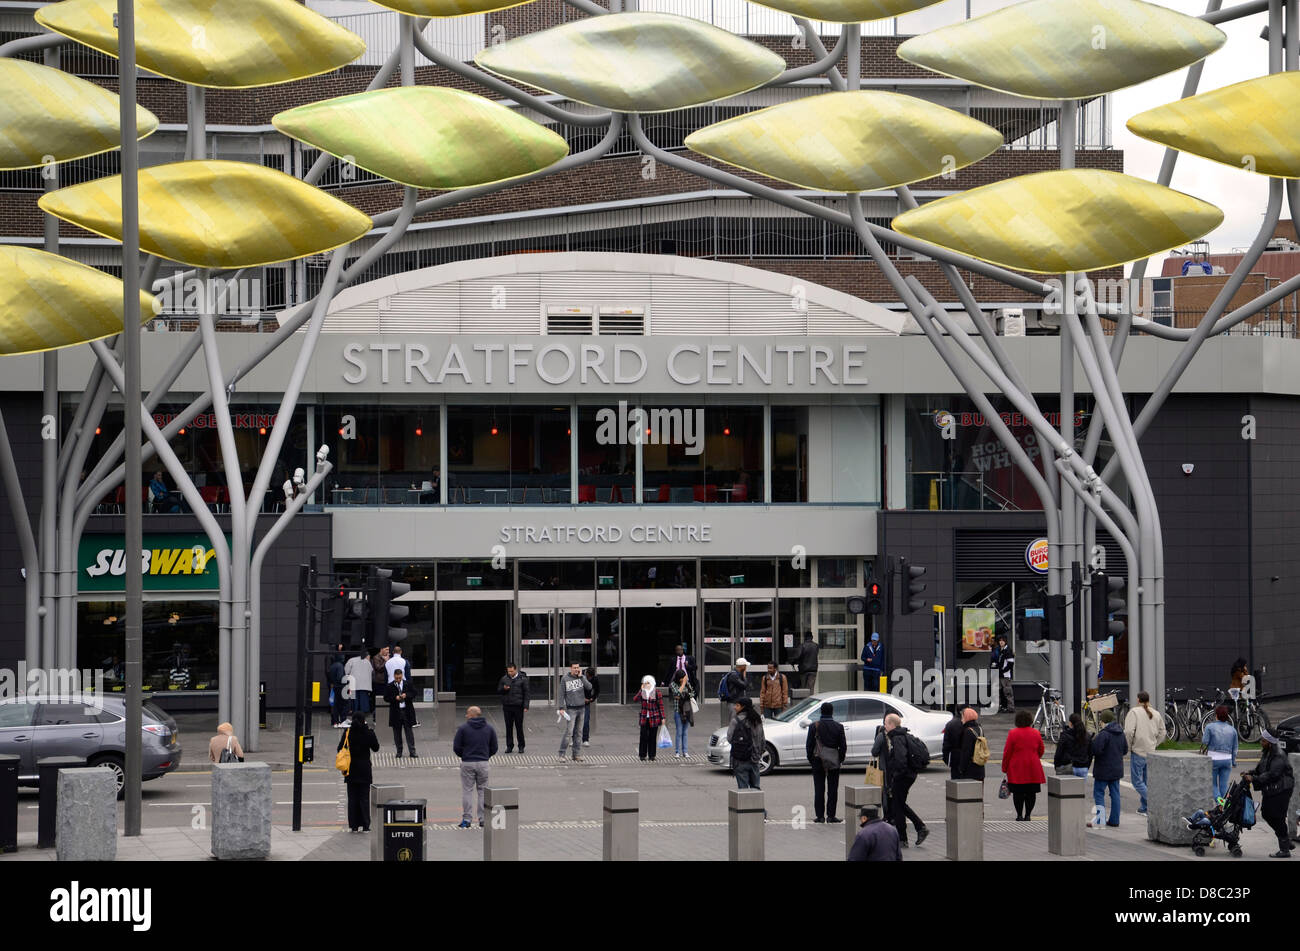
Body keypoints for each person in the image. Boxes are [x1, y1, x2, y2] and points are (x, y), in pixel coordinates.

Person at [871, 712, 929, 847]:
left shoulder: (897, 738)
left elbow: (901, 760)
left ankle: (904, 838)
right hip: (908, 775)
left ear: (891, 724)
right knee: (900, 804)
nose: (884, 726)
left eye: (885, 723)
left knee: (897, 806)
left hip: (902, 777)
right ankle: (918, 828)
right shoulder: (903, 735)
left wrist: (895, 777)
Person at [1242, 730, 1296, 858]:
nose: (1261, 742)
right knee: (1266, 813)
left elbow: (1272, 774)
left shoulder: (1278, 755)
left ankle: (1284, 849)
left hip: (1282, 790)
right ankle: (1286, 840)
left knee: (1278, 817)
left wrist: (1253, 779)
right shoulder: (1268, 752)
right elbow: (1261, 768)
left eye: (1263, 740)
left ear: (1270, 743)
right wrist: (1250, 772)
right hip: (1272, 789)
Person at [452, 705, 498, 829]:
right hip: (483, 763)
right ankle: (483, 819)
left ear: (472, 715)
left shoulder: (463, 728)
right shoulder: (489, 728)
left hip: (467, 763)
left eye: (467, 713)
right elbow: (494, 747)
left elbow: (456, 747)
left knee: (467, 791)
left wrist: (464, 755)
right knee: (483, 791)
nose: (466, 716)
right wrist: (486, 756)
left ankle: (467, 819)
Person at [1123, 690, 1168, 815]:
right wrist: (1155, 743)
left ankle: (1153, 802)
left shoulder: (1134, 712)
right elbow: (1163, 732)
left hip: (1138, 750)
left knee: (1137, 782)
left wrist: (1129, 746)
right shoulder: (1156, 713)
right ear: (1148, 700)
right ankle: (1145, 808)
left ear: (1138, 700)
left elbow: (1128, 732)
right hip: (1151, 751)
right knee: (1146, 781)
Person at [337, 710, 380, 832]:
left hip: (350, 769)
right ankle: (366, 825)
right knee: (364, 798)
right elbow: (376, 748)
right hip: (365, 769)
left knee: (352, 798)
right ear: (363, 720)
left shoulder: (347, 733)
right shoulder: (368, 733)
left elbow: (339, 748)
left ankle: (354, 825)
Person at [805, 701, 847, 823]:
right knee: (833, 789)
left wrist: (812, 760)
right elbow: (843, 746)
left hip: (818, 760)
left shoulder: (814, 726)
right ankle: (831, 815)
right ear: (832, 712)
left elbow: (809, 746)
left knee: (819, 789)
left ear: (821, 712)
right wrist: (840, 759)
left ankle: (820, 816)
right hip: (834, 761)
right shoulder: (838, 727)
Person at [1002, 709, 1046, 820]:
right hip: (1033, 767)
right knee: (1031, 793)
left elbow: (1007, 752)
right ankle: (1028, 815)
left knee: (1018, 793)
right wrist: (1035, 757)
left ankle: (1019, 815)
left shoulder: (1013, 733)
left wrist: (1005, 767)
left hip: (1017, 767)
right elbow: (1041, 749)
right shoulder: (1035, 732)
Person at [1090, 710, 1128, 827]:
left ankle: (1101, 819)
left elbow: (1096, 750)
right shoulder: (1121, 733)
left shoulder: (1104, 734)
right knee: (1115, 794)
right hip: (1116, 769)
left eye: (1101, 720)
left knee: (1099, 793)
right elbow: (1125, 750)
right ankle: (1114, 820)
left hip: (1103, 770)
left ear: (1103, 721)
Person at [728, 698, 766, 802]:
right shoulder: (757, 719)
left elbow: (729, 738)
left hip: (740, 760)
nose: (735, 707)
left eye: (737, 705)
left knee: (743, 790)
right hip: (754, 759)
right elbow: (762, 740)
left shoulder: (736, 720)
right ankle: (760, 813)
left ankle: (746, 814)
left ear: (742, 707)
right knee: (756, 788)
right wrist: (758, 754)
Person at [1202, 704, 1239, 802]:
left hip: (1213, 758)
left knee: (1213, 785)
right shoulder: (1232, 730)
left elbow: (1205, 742)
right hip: (1227, 759)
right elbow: (1235, 748)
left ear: (1216, 715)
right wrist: (1233, 761)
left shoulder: (1210, 727)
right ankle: (1226, 806)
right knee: (1224, 785)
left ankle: (1220, 804)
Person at [558, 662, 590, 762]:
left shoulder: (582, 677)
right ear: (570, 669)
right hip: (571, 709)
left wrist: (582, 677)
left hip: (581, 708)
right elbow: (561, 693)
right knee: (569, 732)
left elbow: (589, 687)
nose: (576, 669)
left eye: (578, 667)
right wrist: (561, 707)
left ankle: (576, 754)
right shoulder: (565, 679)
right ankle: (561, 754)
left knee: (579, 733)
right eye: (574, 668)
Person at [384, 667, 418, 758]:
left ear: (402, 676)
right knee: (397, 733)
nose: (398, 680)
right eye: (396, 678)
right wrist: (395, 698)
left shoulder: (408, 684)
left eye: (399, 678)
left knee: (409, 732)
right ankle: (399, 751)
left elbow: (415, 693)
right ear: (394, 677)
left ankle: (412, 751)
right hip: (396, 711)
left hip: (406, 711)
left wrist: (406, 695)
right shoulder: (390, 686)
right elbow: (386, 698)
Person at [497, 663, 529, 753]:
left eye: (511, 671)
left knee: (519, 727)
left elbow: (527, 693)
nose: (510, 673)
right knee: (508, 727)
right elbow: (499, 690)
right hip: (507, 706)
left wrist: (526, 706)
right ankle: (509, 746)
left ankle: (521, 746)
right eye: (508, 671)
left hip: (518, 706)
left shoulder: (523, 679)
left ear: (515, 670)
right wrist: (504, 689)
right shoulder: (504, 679)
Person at [633, 675, 666, 762]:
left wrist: (663, 717)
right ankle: (642, 755)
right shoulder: (643, 692)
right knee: (643, 736)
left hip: (654, 717)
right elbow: (635, 699)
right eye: (645, 683)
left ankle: (652, 755)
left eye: (648, 683)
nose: (646, 684)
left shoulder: (656, 692)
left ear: (652, 683)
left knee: (652, 736)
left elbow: (661, 706)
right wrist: (641, 690)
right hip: (644, 717)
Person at [1054, 714, 1093, 779]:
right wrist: (1087, 766)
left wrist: (1057, 766)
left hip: (1068, 766)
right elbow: (1090, 753)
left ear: (1070, 723)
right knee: (1080, 789)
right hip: (1083, 767)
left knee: (1067, 789)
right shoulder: (1087, 736)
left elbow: (1059, 753)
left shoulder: (1065, 736)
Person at [956, 707, 987, 783]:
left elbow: (966, 752)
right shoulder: (980, 729)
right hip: (980, 767)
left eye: (963, 717)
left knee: (969, 793)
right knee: (979, 792)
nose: (961, 719)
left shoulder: (968, 731)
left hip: (970, 770)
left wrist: (961, 768)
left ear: (967, 717)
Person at [668, 668, 695, 758]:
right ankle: (677, 752)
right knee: (679, 731)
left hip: (687, 710)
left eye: (684, 678)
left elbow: (692, 694)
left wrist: (683, 693)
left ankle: (685, 751)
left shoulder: (687, 683)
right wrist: (683, 685)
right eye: (682, 678)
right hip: (678, 711)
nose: (683, 680)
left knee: (685, 732)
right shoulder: (673, 684)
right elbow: (677, 694)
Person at [343, 646, 373, 720]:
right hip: (365, 686)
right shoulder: (367, 661)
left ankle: (355, 718)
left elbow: (346, 672)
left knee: (355, 704)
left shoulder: (351, 660)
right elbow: (371, 671)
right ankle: (363, 719)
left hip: (354, 685)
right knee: (363, 704)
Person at [941, 706, 967, 780]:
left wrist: (946, 759)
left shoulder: (950, 724)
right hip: (968, 758)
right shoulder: (972, 724)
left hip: (955, 757)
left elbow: (946, 744)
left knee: (956, 780)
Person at [992, 634, 1014, 712]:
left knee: (1007, 692)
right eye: (1000, 640)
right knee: (1000, 692)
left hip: (1005, 675)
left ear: (1005, 641)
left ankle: (1010, 708)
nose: (1001, 642)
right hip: (1000, 674)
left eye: (1002, 640)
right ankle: (1003, 707)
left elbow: (1010, 664)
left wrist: (1002, 670)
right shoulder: (1000, 650)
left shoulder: (1008, 650)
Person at [327, 648, 348, 728]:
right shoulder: (340, 665)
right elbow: (340, 678)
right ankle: (343, 720)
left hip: (335, 686)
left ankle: (335, 721)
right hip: (341, 687)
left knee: (335, 705)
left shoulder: (332, 666)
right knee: (346, 703)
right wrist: (346, 680)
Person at [583, 666, 599, 743]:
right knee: (575, 721)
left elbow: (597, 691)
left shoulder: (594, 679)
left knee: (586, 721)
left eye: (590, 678)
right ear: (586, 674)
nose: (589, 679)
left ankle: (585, 739)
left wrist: (591, 699)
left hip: (587, 702)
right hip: (576, 701)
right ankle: (574, 738)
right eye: (588, 677)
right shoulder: (580, 677)